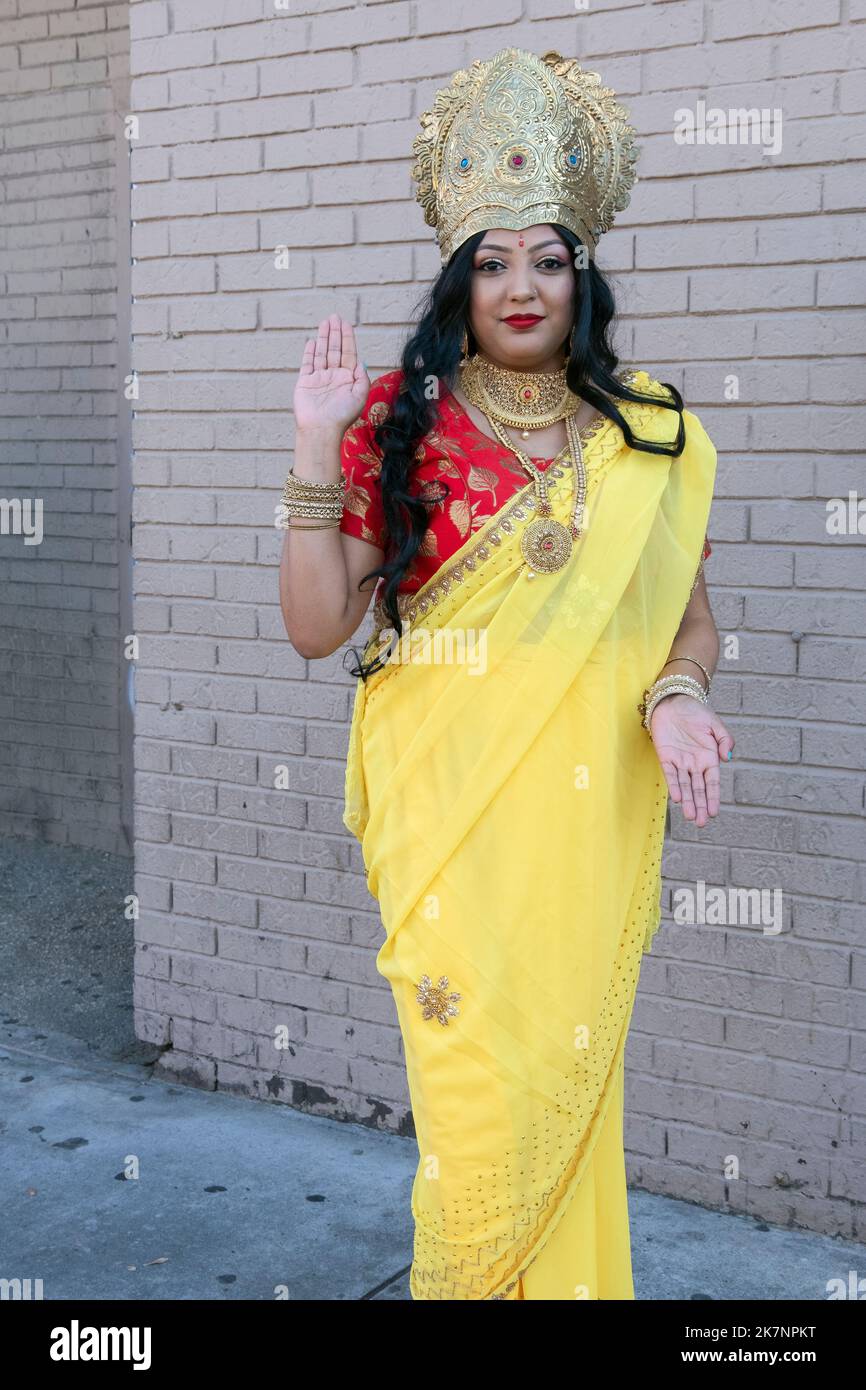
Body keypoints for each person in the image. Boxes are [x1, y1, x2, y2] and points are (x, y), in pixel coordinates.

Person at [279, 47, 734, 1300]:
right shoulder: (401, 416)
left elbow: (683, 623)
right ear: (458, 280)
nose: (519, 284)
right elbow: (317, 628)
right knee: (474, 1122)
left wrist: (677, 696)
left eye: (546, 256)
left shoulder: (646, 435)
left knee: (565, 1106)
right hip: (449, 841)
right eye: (490, 259)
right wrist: (317, 443)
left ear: (579, 273)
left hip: (571, 841)